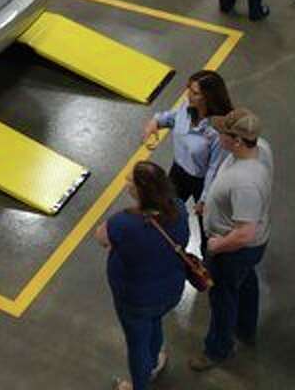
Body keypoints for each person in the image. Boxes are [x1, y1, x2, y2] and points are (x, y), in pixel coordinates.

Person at [190, 109, 273, 373]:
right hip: (249, 246)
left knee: (222, 298)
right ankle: (246, 329)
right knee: (246, 281)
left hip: (235, 249)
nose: (218, 135)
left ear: (237, 141)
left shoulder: (245, 183)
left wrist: (217, 245)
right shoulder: (261, 147)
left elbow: (244, 233)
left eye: (223, 133)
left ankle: (218, 349)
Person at [95, 161, 191, 390]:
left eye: (130, 180)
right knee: (155, 322)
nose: (126, 182)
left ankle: (140, 385)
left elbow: (101, 237)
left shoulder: (124, 223)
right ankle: (155, 360)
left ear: (140, 191)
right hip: (170, 291)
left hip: (136, 300)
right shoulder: (178, 208)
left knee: (137, 344)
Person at [140, 70, 233, 209]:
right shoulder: (187, 106)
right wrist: (156, 122)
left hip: (201, 181)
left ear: (209, 98)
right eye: (189, 88)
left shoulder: (217, 131)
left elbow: (214, 168)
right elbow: (173, 117)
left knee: (205, 219)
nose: (188, 95)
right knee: (168, 210)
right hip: (178, 171)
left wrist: (204, 199)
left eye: (195, 93)